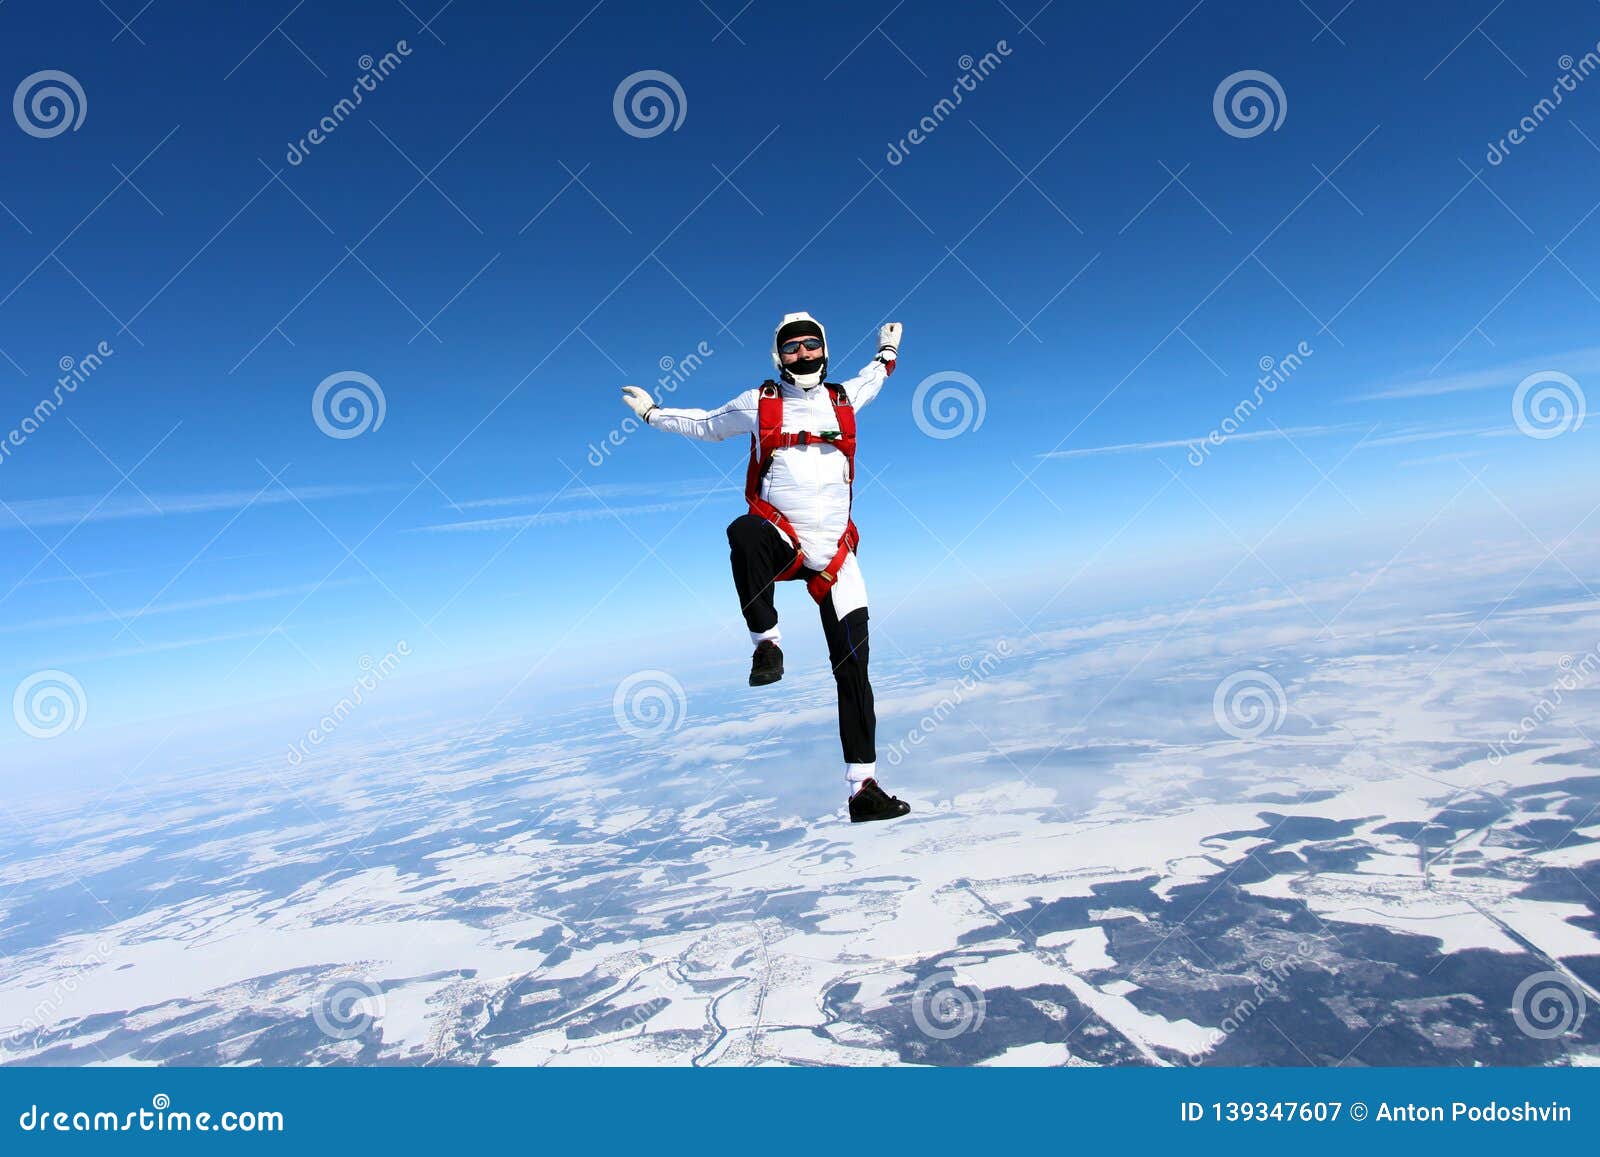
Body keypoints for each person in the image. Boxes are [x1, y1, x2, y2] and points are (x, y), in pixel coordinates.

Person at [621, 313, 911, 823]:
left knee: (855, 673)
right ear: (778, 357)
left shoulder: (843, 399)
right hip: (782, 539)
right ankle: (767, 646)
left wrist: (887, 352)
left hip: (837, 557)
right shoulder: (760, 404)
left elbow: (874, 377)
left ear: (824, 349)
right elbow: (708, 425)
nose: (803, 354)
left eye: (811, 344)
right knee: (744, 531)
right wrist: (653, 415)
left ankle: (863, 788)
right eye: (792, 348)